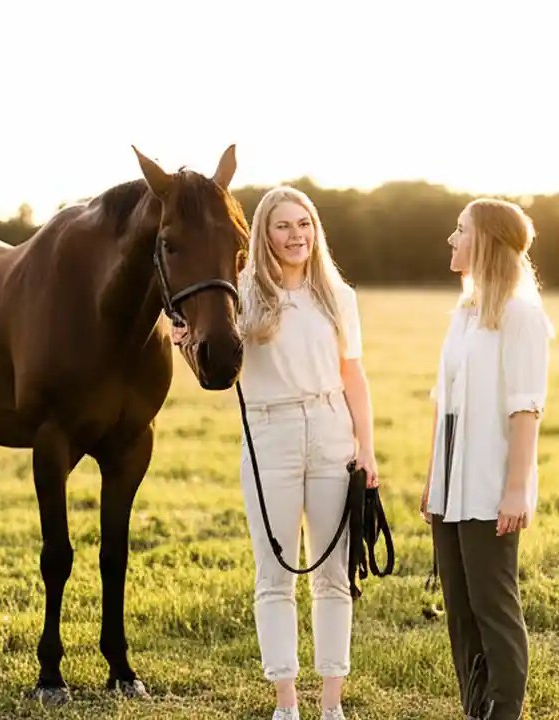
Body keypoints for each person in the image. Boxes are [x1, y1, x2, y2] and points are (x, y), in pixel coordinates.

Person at [172, 186, 378, 720]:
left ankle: (331, 704)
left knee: (335, 575)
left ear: (316, 230)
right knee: (274, 576)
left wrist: (367, 450)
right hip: (270, 434)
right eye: (283, 226)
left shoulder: (338, 295)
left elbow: (354, 375)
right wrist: (186, 342)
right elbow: (215, 362)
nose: (296, 236)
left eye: (304, 224)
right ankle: (286, 704)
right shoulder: (239, 293)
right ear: (264, 233)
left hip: (332, 431)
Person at [419, 198, 553, 720]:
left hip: (490, 483)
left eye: (460, 231)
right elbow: (441, 400)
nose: (451, 240)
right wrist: (433, 480)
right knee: (459, 609)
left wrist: (516, 489)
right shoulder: (465, 312)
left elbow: (526, 408)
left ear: (487, 242)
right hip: (451, 484)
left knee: (493, 607)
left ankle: (504, 711)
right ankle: (473, 709)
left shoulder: (522, 316)